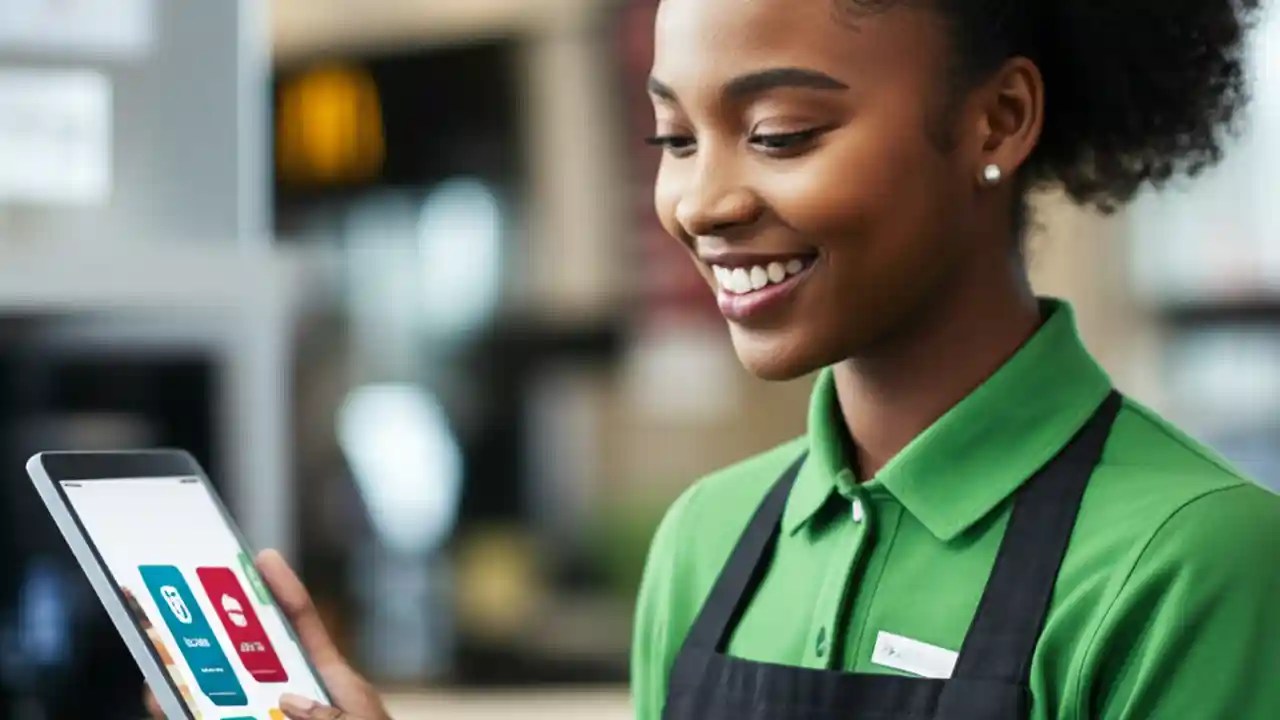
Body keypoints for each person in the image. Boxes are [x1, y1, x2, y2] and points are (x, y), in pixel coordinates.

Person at [152, 0, 1280, 718]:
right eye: (672, 139)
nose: (701, 201)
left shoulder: (1190, 559)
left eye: (781, 132)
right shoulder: (708, 540)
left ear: (997, 119)